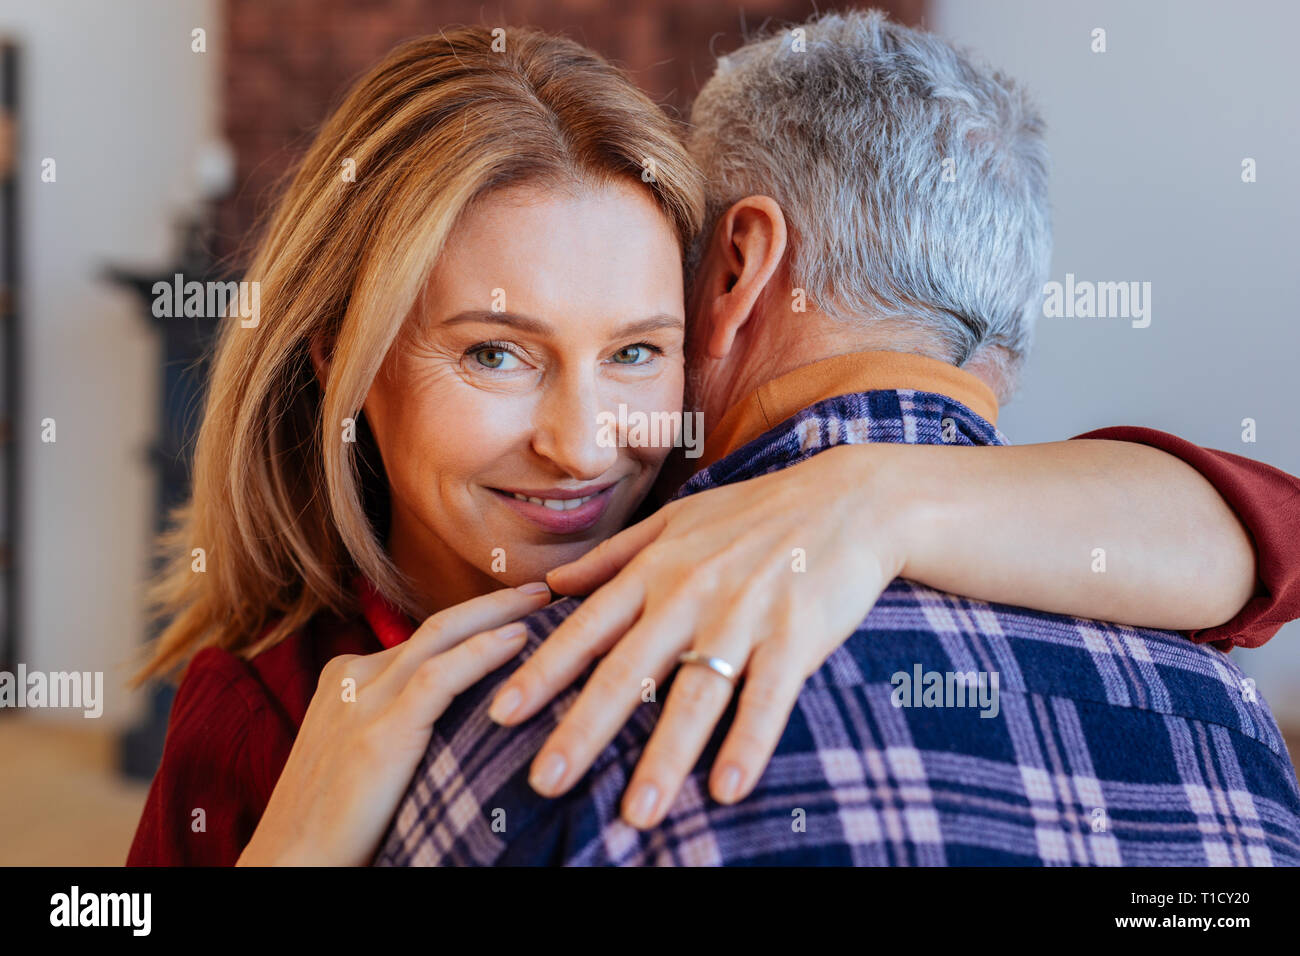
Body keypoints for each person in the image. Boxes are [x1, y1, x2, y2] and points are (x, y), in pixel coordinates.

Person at [127, 23, 1299, 867]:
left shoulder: (733, 518)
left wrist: (882, 494)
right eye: (495, 352)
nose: (582, 445)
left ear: (708, 319)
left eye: (639, 351)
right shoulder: (259, 707)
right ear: (346, 360)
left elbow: (1272, 532)